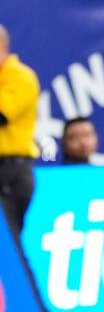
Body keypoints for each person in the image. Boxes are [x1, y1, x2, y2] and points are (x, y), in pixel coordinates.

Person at [0, 23, 40, 239]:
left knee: (7, 244)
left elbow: (2, 115)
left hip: (10, 170)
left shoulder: (20, 77)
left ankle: (20, 275)